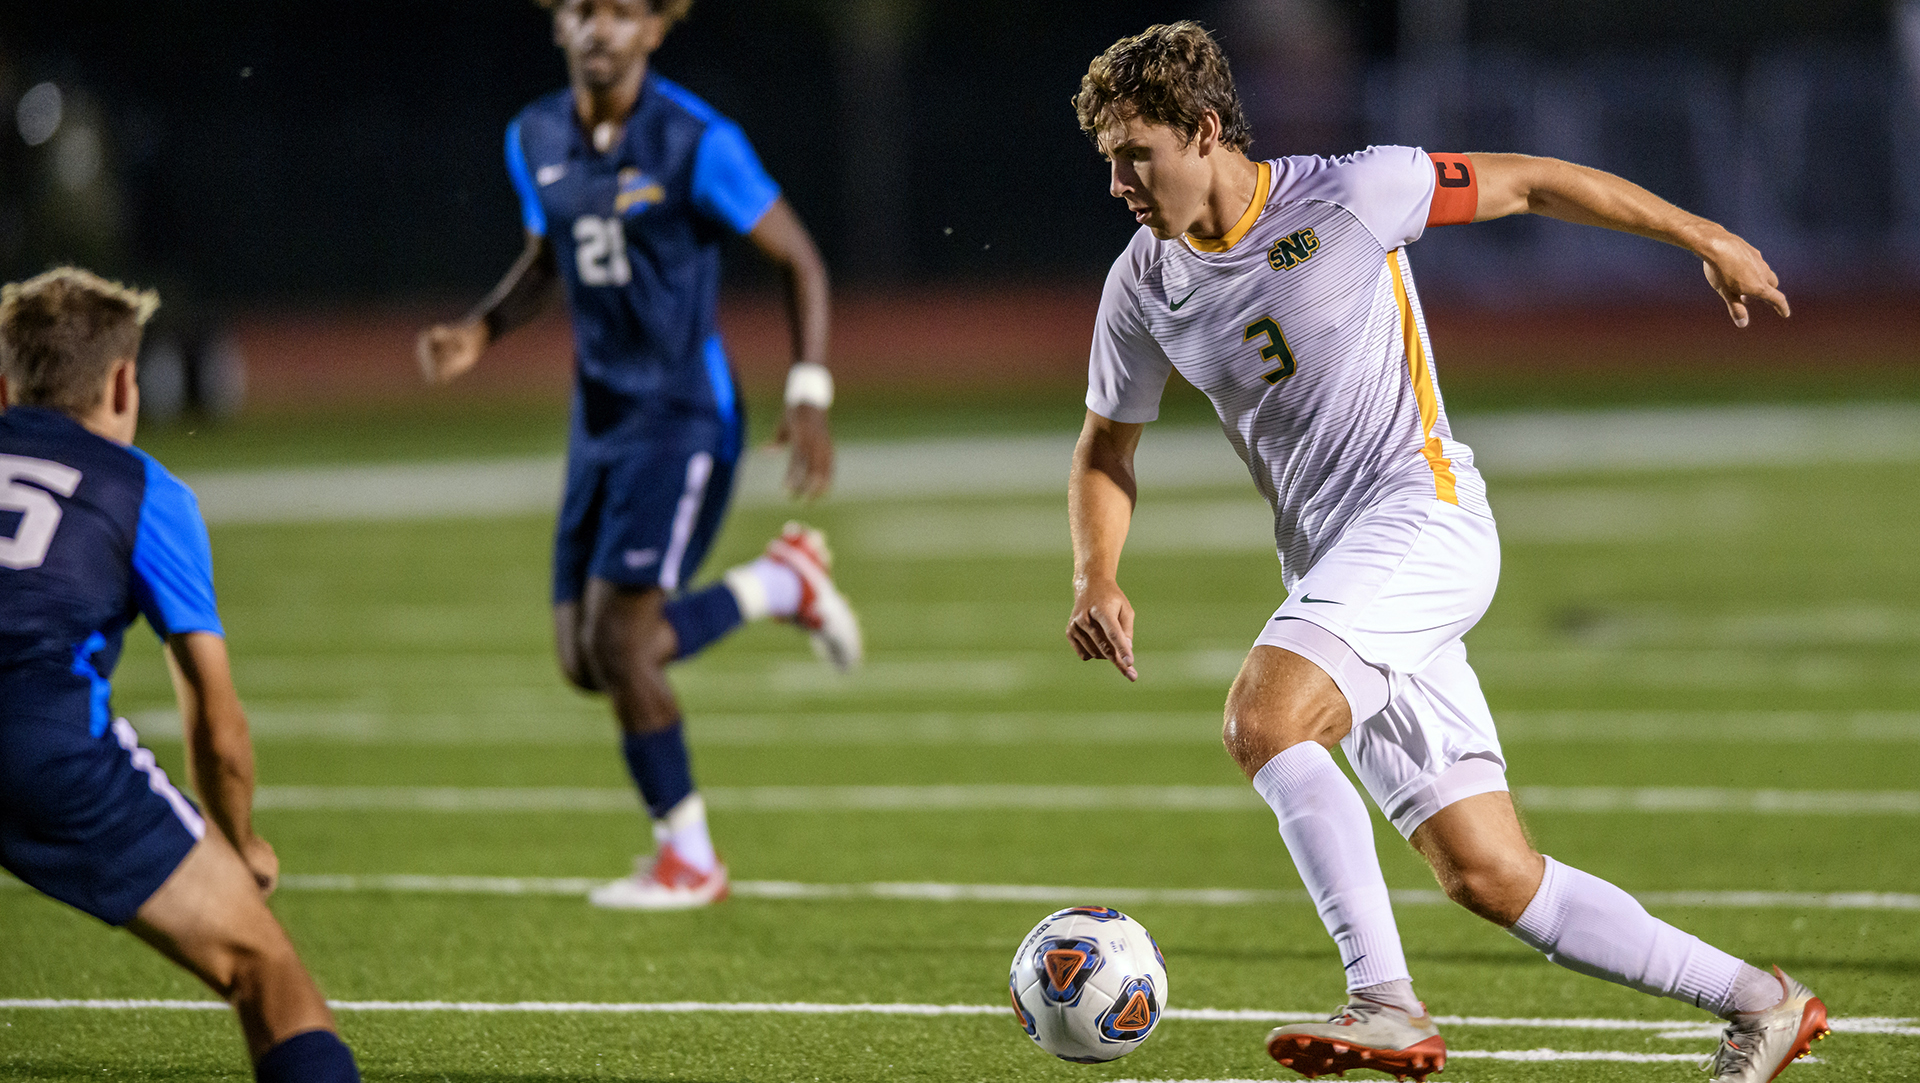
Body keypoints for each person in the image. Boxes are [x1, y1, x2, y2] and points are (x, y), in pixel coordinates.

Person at [1064, 22, 1827, 1083]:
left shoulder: (1352, 193)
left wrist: (1703, 235)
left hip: (1422, 517)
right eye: (1108, 160)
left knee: (1265, 716)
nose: (1117, 184)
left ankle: (1382, 1002)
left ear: (1202, 131)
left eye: (1132, 155)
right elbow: (1107, 445)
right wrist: (1096, 573)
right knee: (1488, 872)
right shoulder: (1143, 284)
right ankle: (1764, 1003)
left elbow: (1534, 185)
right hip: (1338, 571)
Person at [416, 0, 860, 910]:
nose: (599, 29)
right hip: (601, 417)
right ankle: (779, 585)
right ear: (556, 24)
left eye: (621, 12)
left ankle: (690, 857)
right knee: (585, 658)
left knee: (622, 644)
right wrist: (481, 331)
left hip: (684, 413)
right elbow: (553, 252)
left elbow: (801, 259)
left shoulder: (697, 140)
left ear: (656, 29)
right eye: (583, 9)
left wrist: (808, 391)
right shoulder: (532, 133)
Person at [0, 267, 360, 1083]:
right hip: (40, 746)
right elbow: (218, 726)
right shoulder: (146, 491)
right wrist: (237, 847)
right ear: (126, 381)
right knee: (268, 975)